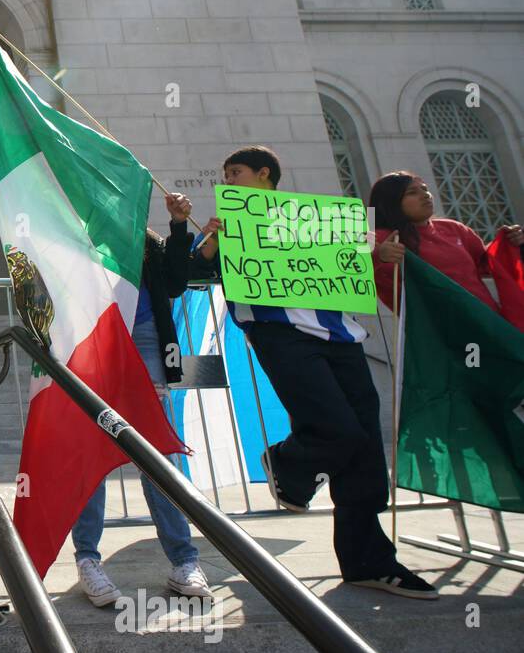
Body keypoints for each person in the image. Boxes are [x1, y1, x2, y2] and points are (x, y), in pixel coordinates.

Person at [194, 146, 436, 600]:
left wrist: (377, 250)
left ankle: (370, 561)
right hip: (279, 335)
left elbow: (349, 257)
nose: (228, 179)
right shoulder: (229, 224)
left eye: (236, 172)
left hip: (341, 335)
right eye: (225, 173)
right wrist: (211, 240)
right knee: (336, 429)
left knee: (364, 449)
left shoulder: (310, 217)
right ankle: (286, 461)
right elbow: (193, 268)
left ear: (265, 174)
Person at [74, 192, 213, 606]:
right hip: (96, 343)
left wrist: (176, 226)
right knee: (93, 450)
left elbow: (174, 283)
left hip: (149, 341)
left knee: (156, 453)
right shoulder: (76, 239)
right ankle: (87, 558)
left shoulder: (145, 240)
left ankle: (184, 559)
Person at [369, 171, 524, 311]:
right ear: (391, 202)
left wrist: (510, 243)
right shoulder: (380, 237)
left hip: (485, 320)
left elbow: (487, 264)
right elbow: (354, 266)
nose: (425, 195)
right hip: (438, 330)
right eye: (412, 192)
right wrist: (379, 255)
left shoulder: (453, 228)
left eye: (425, 189)